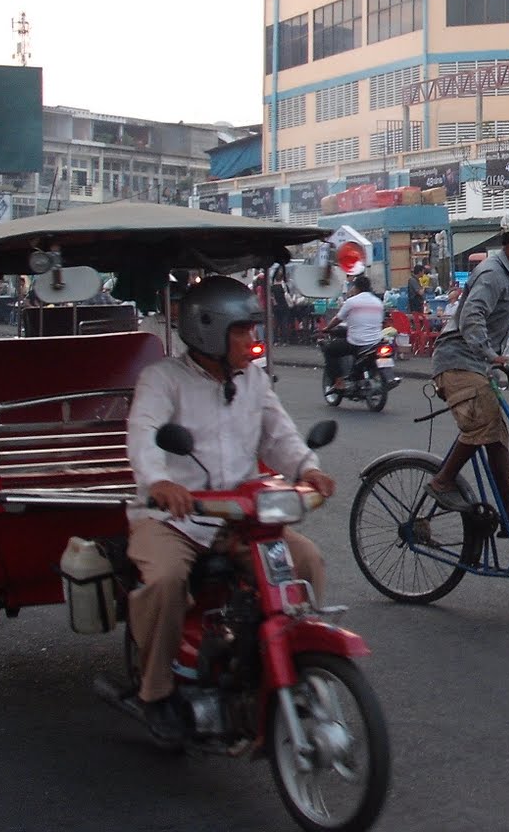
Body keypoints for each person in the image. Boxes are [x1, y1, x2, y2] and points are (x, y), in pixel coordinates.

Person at [125, 276, 334, 744]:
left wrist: (308, 468)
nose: (252, 341)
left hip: (240, 517)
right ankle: (155, 692)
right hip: (173, 519)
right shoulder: (163, 379)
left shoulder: (253, 381)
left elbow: (278, 435)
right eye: (242, 331)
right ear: (209, 330)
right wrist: (158, 482)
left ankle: (287, 663)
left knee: (304, 561)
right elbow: (144, 432)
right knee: (164, 581)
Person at [425, 204, 509, 536]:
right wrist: (492, 355)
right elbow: (472, 316)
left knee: (498, 437)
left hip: (474, 362)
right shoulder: (491, 272)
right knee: (485, 421)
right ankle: (443, 481)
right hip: (458, 360)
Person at [321, 274, 385, 385]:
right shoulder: (378, 302)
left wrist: (327, 328)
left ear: (357, 288)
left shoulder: (351, 302)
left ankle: (338, 381)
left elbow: (338, 319)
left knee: (329, 349)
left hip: (357, 342)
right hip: (376, 341)